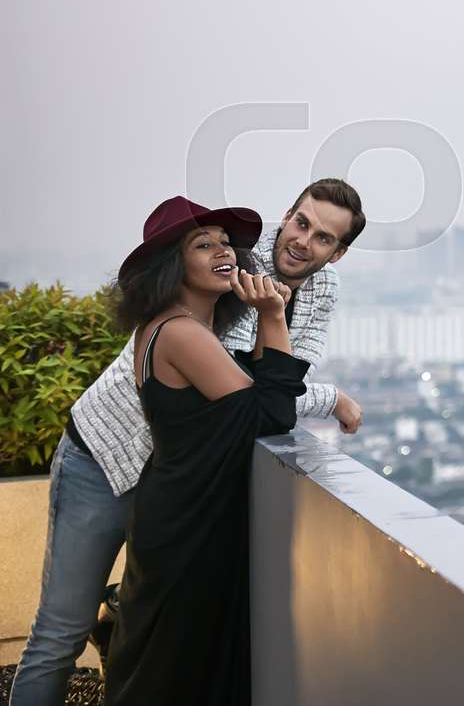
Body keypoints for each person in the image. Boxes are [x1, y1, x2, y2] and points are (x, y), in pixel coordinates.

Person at [9, 179, 366, 706]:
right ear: (286, 215)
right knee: (61, 633)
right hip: (106, 455)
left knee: (154, 625)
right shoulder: (227, 270)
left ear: (337, 253)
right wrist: (331, 398)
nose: (303, 241)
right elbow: (253, 396)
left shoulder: (314, 285)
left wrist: (293, 380)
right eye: (301, 223)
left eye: (323, 238)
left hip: (173, 474)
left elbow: (275, 383)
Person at [94, 197, 306, 703]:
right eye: (202, 243)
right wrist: (274, 314)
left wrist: (265, 320)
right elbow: (270, 413)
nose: (223, 250)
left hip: (179, 510)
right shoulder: (182, 332)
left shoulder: (176, 328)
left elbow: (250, 390)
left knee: (170, 658)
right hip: (188, 520)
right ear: (173, 264)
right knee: (178, 665)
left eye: (226, 242)